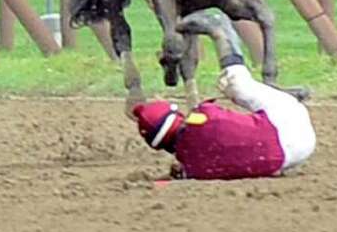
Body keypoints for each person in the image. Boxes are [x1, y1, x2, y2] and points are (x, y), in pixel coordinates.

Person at [131, 12, 315, 180]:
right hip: (290, 121)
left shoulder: (192, 169)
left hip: (291, 158)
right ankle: (220, 31)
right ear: (175, 117)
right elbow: (213, 116)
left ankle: (278, 94)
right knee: (236, 86)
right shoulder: (201, 118)